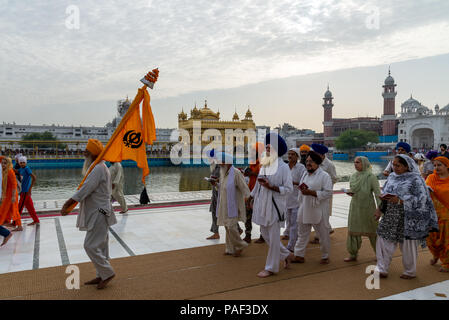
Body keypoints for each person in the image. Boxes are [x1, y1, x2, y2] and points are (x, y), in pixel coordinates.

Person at [60, 139, 117, 290]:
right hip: (100, 211)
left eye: (87, 150)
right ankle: (101, 274)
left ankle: (108, 272)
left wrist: (68, 203)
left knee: (90, 246)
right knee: (101, 246)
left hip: (99, 212)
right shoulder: (98, 166)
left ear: (93, 153)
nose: (84, 152)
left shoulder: (99, 168)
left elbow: (86, 188)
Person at [374, 154, 438, 279]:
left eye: (398, 165)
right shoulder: (392, 176)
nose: (394, 167)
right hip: (391, 214)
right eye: (393, 164)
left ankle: (410, 271)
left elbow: (422, 199)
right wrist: (379, 209)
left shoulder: (416, 179)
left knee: (408, 244)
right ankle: (382, 268)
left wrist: (401, 200)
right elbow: (386, 193)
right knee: (383, 239)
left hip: (408, 216)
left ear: (406, 166)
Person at [248, 132, 294, 278]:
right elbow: (259, 184)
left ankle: (271, 268)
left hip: (275, 206)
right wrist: (251, 197)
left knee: (274, 238)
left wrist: (272, 187)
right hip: (262, 204)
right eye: (267, 145)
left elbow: (289, 189)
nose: (267, 147)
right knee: (265, 235)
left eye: (270, 145)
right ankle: (286, 254)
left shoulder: (283, 167)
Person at [293, 151, 333, 264]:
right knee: (302, 233)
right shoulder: (305, 174)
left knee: (323, 235)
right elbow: (301, 191)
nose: (308, 164)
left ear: (317, 163)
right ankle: (299, 255)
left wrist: (312, 193)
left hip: (318, 209)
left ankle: (325, 256)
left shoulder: (325, 176)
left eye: (311, 161)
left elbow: (328, 193)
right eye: (307, 161)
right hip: (304, 207)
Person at [214, 152, 251, 257]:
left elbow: (244, 188)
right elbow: (222, 188)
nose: (220, 165)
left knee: (231, 227)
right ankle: (230, 249)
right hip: (224, 205)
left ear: (227, 163)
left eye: (221, 162)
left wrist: (249, 200)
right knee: (226, 227)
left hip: (233, 205)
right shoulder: (223, 173)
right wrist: (216, 184)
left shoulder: (236, 173)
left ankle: (240, 245)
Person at [344, 157, 381, 262]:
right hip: (355, 207)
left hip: (368, 208)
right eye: (354, 162)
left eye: (358, 162)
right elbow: (354, 189)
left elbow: (378, 193)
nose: (355, 164)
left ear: (364, 163)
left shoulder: (371, 177)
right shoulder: (354, 176)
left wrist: (380, 209)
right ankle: (353, 254)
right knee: (353, 230)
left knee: (373, 231)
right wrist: (350, 192)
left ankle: (379, 254)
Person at [426, 156, 449, 272]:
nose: (436, 167)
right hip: (432, 214)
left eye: (439, 165)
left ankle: (447, 262)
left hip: (447, 215)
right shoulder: (431, 178)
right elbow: (425, 191)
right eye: (434, 165)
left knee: (446, 239)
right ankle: (436, 255)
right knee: (431, 238)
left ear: (446, 166)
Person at [310, 143, 337, 243]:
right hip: (314, 193)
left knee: (323, 214)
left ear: (321, 154)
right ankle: (327, 229)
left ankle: (319, 236)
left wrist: (325, 187)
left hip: (324, 194)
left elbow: (334, 178)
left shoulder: (329, 165)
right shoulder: (314, 163)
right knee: (316, 213)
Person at [282, 148, 306, 253]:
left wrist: (294, 183)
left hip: (297, 200)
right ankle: (291, 239)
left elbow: (304, 183)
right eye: (289, 154)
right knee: (289, 222)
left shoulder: (301, 168)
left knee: (294, 224)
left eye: (292, 154)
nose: (290, 156)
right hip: (286, 200)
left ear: (297, 156)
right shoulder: (285, 167)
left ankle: (291, 245)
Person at [243, 142, 265, 243]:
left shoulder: (262, 163)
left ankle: (263, 235)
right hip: (250, 191)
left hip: (260, 193)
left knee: (261, 214)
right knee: (247, 214)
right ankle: (248, 235)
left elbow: (263, 176)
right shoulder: (252, 163)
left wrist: (251, 173)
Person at [0, 157, 22, 231]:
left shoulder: (10, 171)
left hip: (12, 194)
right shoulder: (4, 171)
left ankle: (19, 226)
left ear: (8, 164)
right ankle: (6, 222)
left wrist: (13, 196)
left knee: (14, 209)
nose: (3, 164)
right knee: (5, 209)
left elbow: (14, 185)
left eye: (5, 163)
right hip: (7, 194)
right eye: (2, 163)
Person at [16, 156, 40, 226]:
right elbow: (16, 171)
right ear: (19, 163)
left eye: (24, 162)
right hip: (22, 192)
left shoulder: (27, 168)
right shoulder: (21, 169)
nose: (22, 164)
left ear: (26, 163)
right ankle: (36, 220)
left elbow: (34, 178)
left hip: (25, 192)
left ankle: (15, 223)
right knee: (30, 207)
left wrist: (30, 189)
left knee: (19, 208)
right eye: (21, 162)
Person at [206, 149, 221, 240]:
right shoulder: (214, 167)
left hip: (221, 194)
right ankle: (216, 232)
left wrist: (215, 181)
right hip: (215, 193)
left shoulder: (220, 167)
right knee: (214, 212)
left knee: (225, 213)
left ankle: (237, 229)